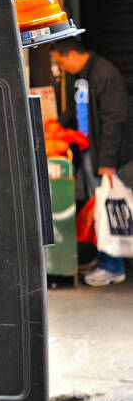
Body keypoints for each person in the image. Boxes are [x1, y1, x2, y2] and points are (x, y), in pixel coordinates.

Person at [53, 37, 133, 285]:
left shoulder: (105, 75)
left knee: (107, 210)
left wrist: (108, 163)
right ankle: (102, 259)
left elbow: (114, 122)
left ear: (72, 56)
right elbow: (78, 110)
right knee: (95, 209)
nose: (61, 68)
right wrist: (57, 125)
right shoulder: (84, 77)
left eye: (60, 62)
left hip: (106, 157)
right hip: (91, 152)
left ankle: (113, 266)